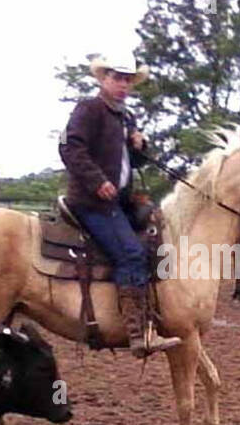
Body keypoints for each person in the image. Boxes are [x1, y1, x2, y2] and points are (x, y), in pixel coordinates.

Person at [59, 53, 181, 358]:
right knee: (131, 253)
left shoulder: (125, 117)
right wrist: (97, 181)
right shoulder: (90, 109)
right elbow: (70, 147)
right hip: (92, 201)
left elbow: (132, 161)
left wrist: (140, 146)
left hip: (118, 202)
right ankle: (138, 333)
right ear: (103, 79)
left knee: (156, 235)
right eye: (117, 78)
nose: (123, 84)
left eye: (127, 79)